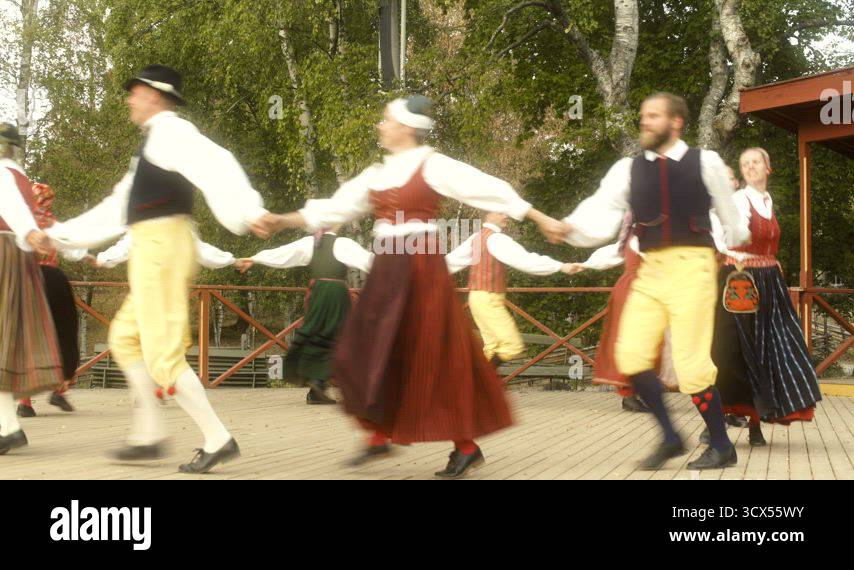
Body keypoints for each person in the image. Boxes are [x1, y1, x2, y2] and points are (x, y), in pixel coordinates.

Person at [255, 95, 568, 478]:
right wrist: (282, 220)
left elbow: (488, 189)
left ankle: (463, 446)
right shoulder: (376, 174)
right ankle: (378, 435)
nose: (381, 126)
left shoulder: (432, 165)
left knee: (432, 354)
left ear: (406, 127)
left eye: (387, 120)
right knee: (368, 348)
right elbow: (334, 209)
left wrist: (540, 217)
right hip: (388, 267)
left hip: (420, 267)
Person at [46, 65, 270, 473]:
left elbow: (217, 163)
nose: (129, 99)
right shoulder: (153, 143)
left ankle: (217, 437)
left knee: (162, 352)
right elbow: (117, 206)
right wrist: (62, 235)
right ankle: (148, 435)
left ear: (153, 95)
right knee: (126, 339)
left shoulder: (171, 133)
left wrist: (246, 211)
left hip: (163, 246)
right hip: (155, 244)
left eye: (134, 92)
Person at [561, 92, 750, 470]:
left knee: (692, 364)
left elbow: (732, 219)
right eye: (643, 115)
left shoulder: (705, 162)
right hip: (650, 271)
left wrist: (734, 238)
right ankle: (669, 436)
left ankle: (722, 445)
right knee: (629, 355)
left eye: (653, 116)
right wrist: (568, 230)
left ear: (676, 122)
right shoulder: (627, 169)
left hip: (693, 267)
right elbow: (599, 210)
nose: (644, 121)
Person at [709, 147, 821, 446]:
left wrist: (770, 262)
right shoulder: (738, 199)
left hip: (769, 281)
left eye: (755, 162)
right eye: (745, 164)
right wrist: (736, 254)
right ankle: (717, 420)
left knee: (772, 349)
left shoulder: (767, 201)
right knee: (737, 351)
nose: (749, 167)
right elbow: (721, 235)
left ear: (768, 167)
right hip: (742, 281)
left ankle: (756, 422)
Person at [236, 225, 373, 405]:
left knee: (315, 333)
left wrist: (254, 259)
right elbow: (368, 261)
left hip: (317, 292)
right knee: (340, 336)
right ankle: (332, 384)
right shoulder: (342, 244)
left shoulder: (311, 243)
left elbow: (283, 253)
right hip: (336, 294)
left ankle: (316, 387)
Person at [0, 123, 65, 454]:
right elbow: (44, 222)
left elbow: (12, 209)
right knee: (5, 340)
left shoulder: (3, 174)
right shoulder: (23, 177)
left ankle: (9, 426)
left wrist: (28, 232)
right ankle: (8, 426)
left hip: (3, 252)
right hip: (21, 257)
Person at [445, 211, 576, 371]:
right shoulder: (496, 239)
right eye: (501, 212)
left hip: (478, 298)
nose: (506, 216)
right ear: (489, 214)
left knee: (492, 347)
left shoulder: (476, 237)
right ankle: (476, 382)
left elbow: (449, 262)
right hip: (488, 299)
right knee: (511, 345)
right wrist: (561, 266)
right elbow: (525, 261)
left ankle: (475, 388)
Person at [17, 182, 87, 417]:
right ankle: (59, 390)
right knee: (58, 334)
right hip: (52, 281)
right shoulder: (53, 223)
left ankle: (25, 402)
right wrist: (94, 258)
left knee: (27, 338)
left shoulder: (22, 223)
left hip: (26, 281)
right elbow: (73, 248)